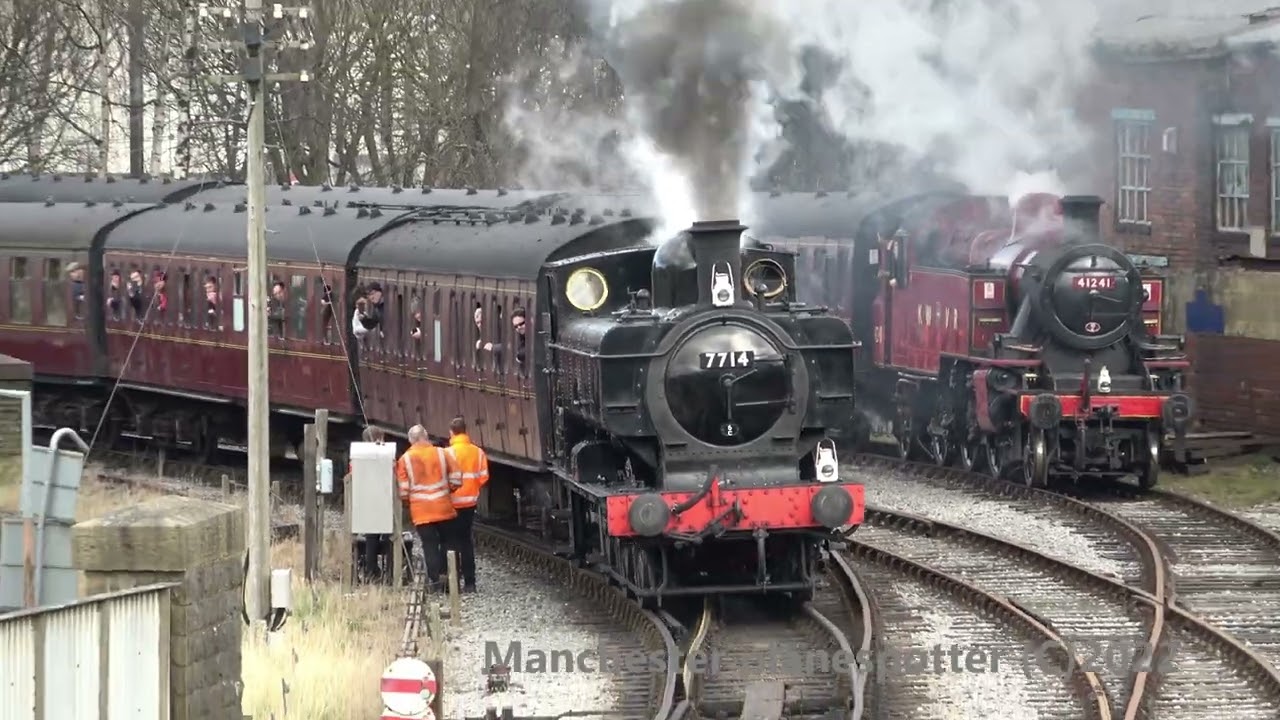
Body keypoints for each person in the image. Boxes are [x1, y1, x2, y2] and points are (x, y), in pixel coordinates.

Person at [397, 424, 456, 592]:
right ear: (426, 436)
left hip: (421, 512)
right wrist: (447, 490)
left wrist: (411, 501)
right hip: (443, 508)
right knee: (447, 543)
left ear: (410, 440)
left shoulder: (405, 460)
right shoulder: (442, 453)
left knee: (429, 545)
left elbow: (403, 491)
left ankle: (435, 582)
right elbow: (457, 479)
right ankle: (448, 579)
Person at [443, 416, 489, 593]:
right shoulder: (478, 452)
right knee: (466, 542)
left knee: (451, 542)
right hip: (470, 503)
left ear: (451, 432)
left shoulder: (447, 453)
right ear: (466, 431)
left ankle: (454, 582)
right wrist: (473, 488)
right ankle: (470, 583)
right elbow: (484, 476)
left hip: (452, 503)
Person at [357, 425, 393, 583]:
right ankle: (391, 571)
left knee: (371, 538)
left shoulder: (358, 456)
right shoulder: (385, 455)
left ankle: (372, 572)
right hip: (383, 500)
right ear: (378, 439)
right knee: (388, 537)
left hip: (367, 500)